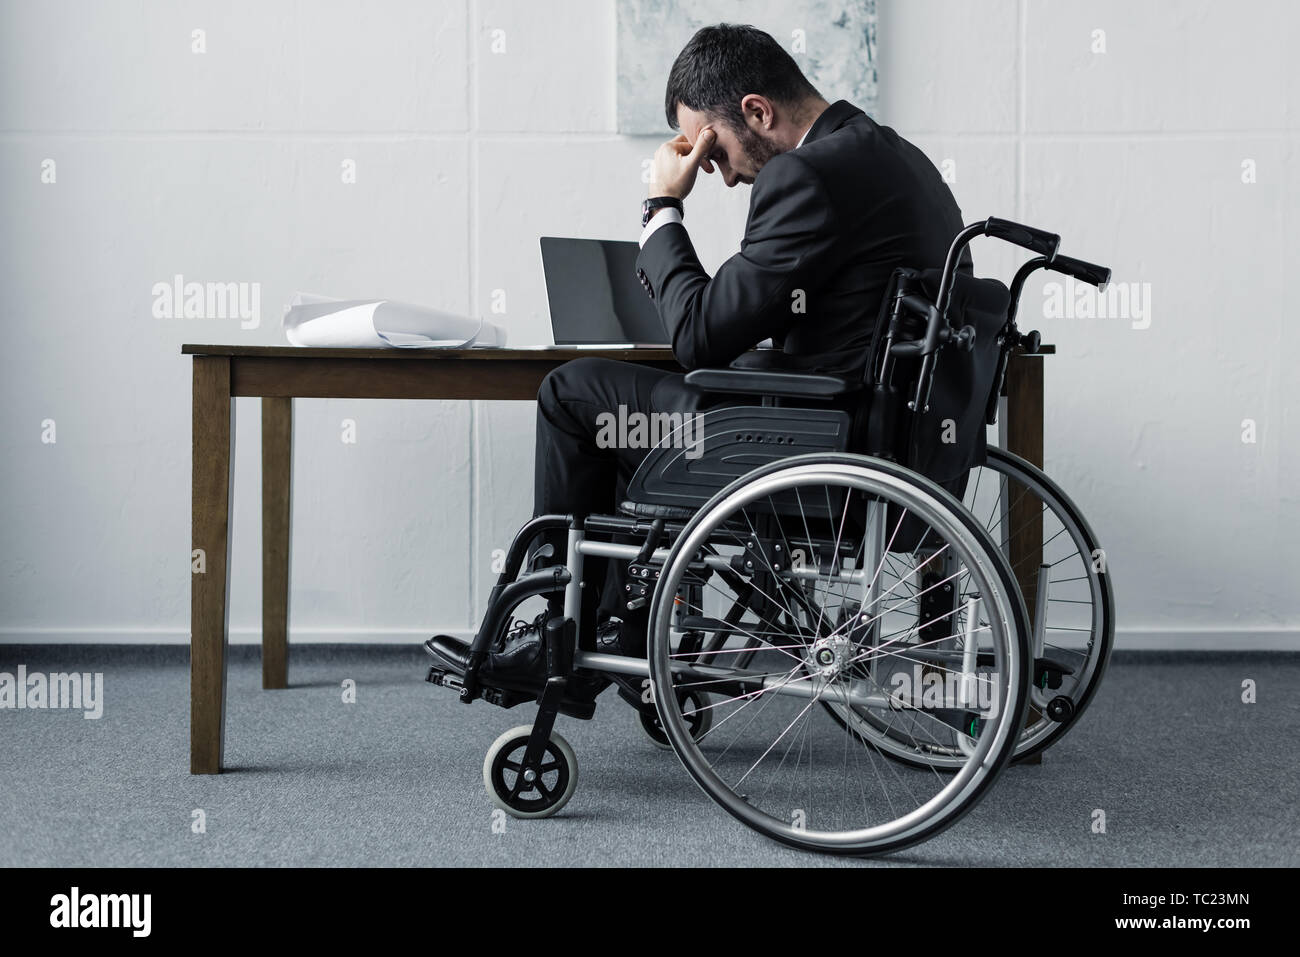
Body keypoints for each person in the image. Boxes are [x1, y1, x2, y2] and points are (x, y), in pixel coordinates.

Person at [427, 22, 969, 685]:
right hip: (881, 437)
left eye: (713, 154)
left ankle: (561, 633)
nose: (720, 175)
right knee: (627, 411)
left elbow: (699, 337)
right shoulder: (896, 158)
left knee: (573, 394)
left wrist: (662, 207)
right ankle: (622, 625)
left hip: (812, 447)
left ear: (757, 112)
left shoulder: (805, 175)